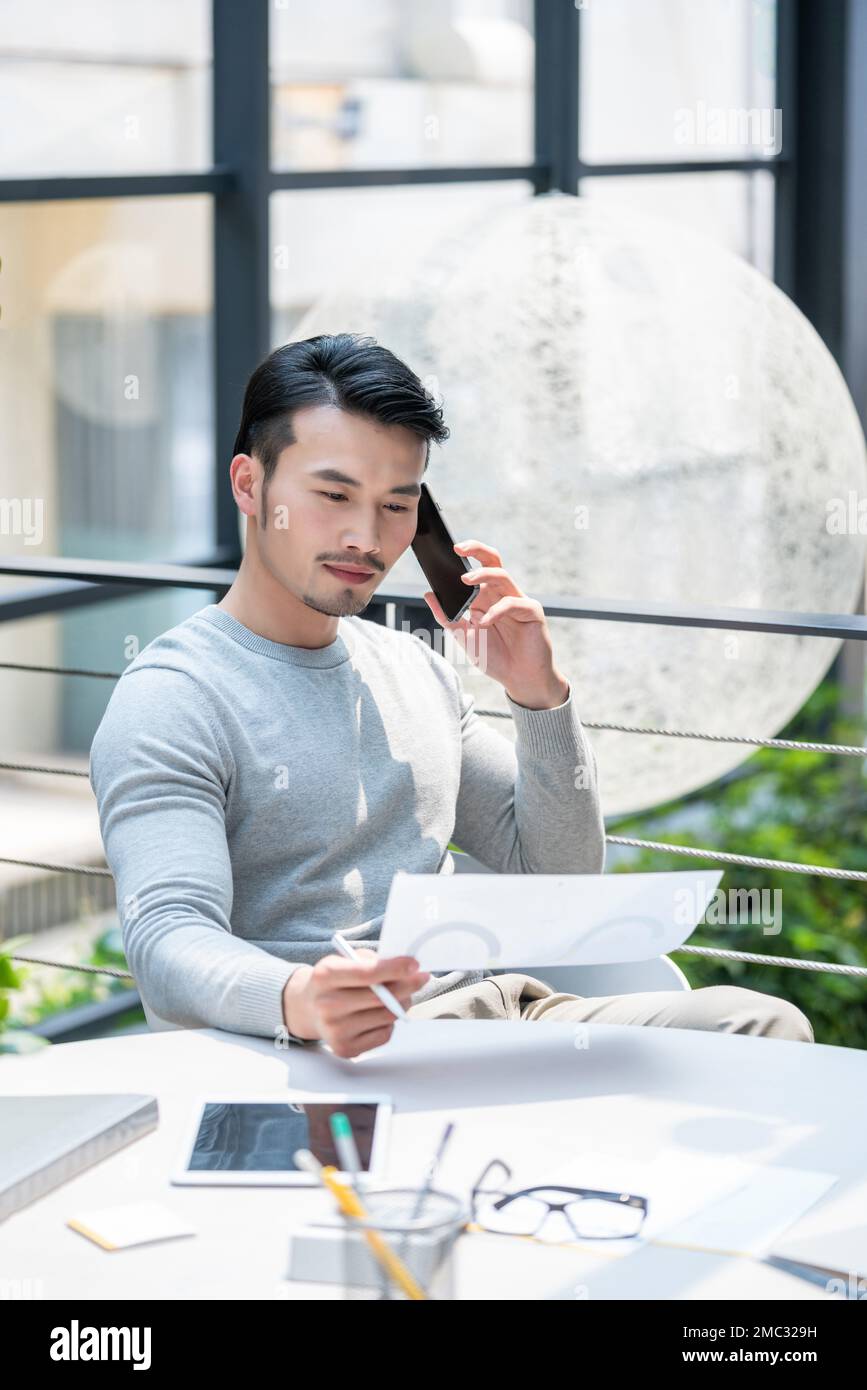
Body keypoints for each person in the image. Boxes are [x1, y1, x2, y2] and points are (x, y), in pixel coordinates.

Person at [89, 332, 813, 1057]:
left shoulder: (416, 669)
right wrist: (297, 998)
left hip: (499, 1015)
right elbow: (168, 936)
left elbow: (555, 874)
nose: (364, 537)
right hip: (325, 1055)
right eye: (333, 494)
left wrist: (538, 697)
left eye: (396, 506)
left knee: (761, 1030)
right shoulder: (173, 698)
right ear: (250, 486)